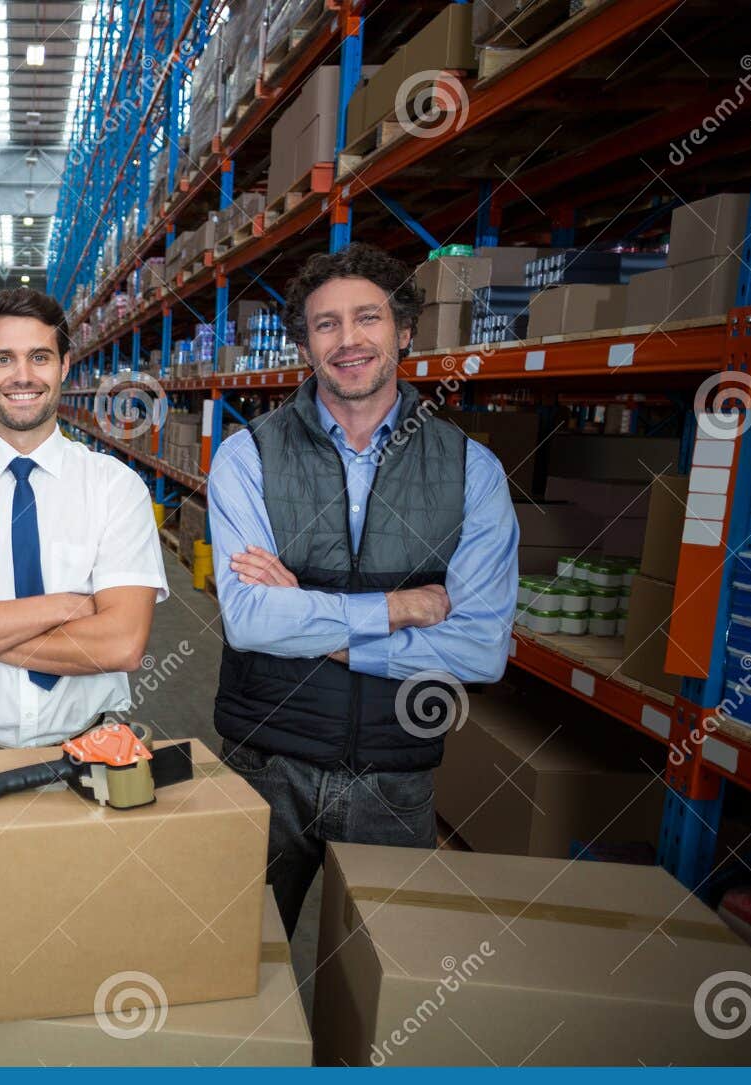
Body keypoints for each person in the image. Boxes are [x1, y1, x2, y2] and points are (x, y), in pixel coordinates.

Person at [208, 243, 519, 936]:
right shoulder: (247, 455)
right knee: (233, 973)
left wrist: (319, 630)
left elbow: (479, 649)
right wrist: (401, 609)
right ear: (304, 344)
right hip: (264, 765)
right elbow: (252, 621)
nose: (348, 340)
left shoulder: (473, 471)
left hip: (395, 774)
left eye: (367, 318)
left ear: (404, 331)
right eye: (326, 324)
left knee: (379, 995)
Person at [0, 287, 170, 921]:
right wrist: (70, 605)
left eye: (39, 358)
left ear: (65, 366)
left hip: (90, 764)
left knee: (81, 953)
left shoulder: (114, 488)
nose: (22, 376)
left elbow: (121, 645)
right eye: (3, 359)